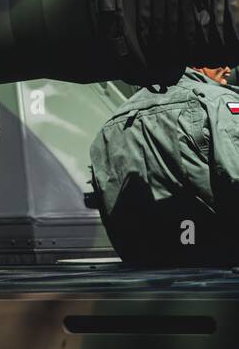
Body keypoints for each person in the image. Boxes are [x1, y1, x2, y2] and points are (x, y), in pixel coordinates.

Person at [88, 65, 239, 266]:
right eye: (219, 58)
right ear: (195, 61)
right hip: (222, 266)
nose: (228, 68)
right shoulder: (217, 102)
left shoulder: (110, 125)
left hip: (147, 270)